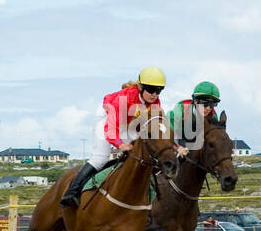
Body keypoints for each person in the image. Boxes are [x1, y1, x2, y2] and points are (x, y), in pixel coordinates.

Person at [59, 67, 183, 208]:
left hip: (129, 122)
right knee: (100, 158)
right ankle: (71, 192)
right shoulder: (124, 99)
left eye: (159, 90)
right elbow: (111, 128)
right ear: (140, 87)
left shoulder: (155, 102)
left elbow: (159, 130)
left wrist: (175, 146)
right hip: (107, 119)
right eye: (150, 89)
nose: (154, 94)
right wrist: (120, 144)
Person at [168, 80, 221, 147]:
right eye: (205, 104)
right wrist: (177, 148)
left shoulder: (213, 116)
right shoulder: (180, 110)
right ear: (195, 101)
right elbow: (168, 135)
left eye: (212, 105)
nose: (208, 108)